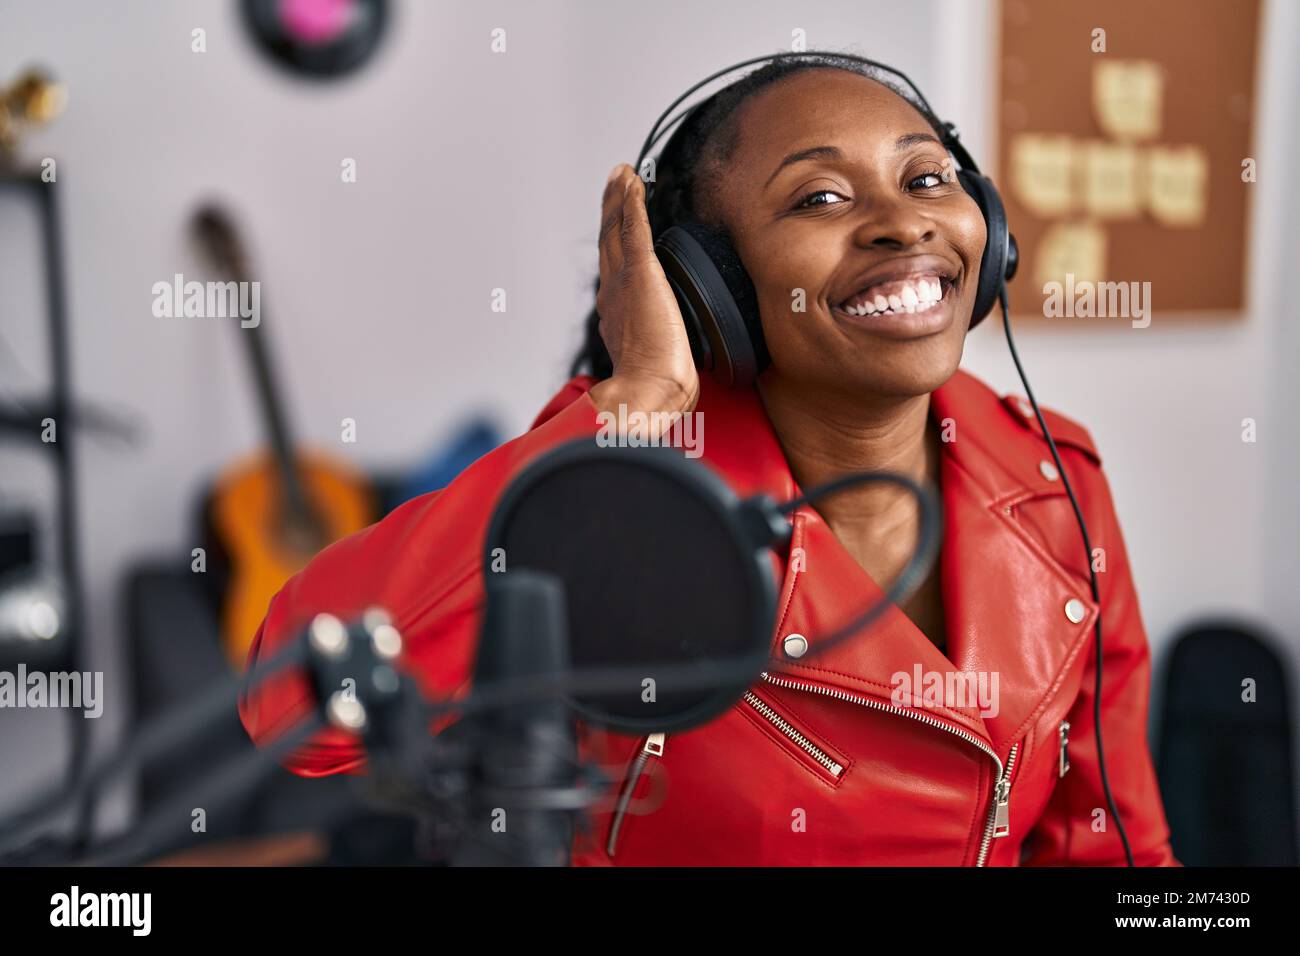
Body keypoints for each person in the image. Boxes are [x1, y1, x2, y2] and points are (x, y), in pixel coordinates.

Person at [239, 54, 1179, 866]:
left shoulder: (1060, 482)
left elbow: (1108, 841)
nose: (904, 223)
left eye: (928, 178)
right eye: (819, 197)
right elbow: (293, 709)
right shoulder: (620, 482)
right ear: (712, 288)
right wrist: (636, 403)